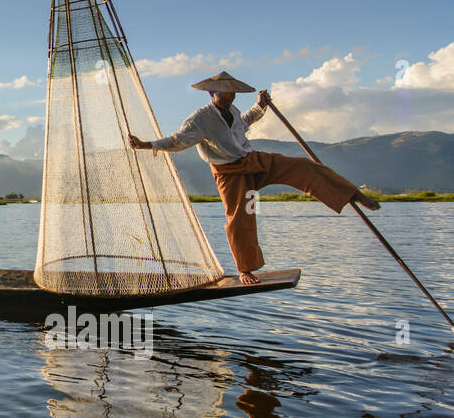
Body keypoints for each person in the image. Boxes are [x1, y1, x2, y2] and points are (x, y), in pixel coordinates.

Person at [128, 71, 378, 286]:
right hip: (230, 173)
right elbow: (177, 141)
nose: (230, 97)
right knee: (240, 217)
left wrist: (260, 106)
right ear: (212, 93)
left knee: (303, 166)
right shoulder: (200, 119)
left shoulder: (233, 110)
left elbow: (243, 123)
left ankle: (353, 193)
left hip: (253, 161)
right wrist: (146, 144)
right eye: (225, 94)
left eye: (232, 93)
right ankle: (244, 268)